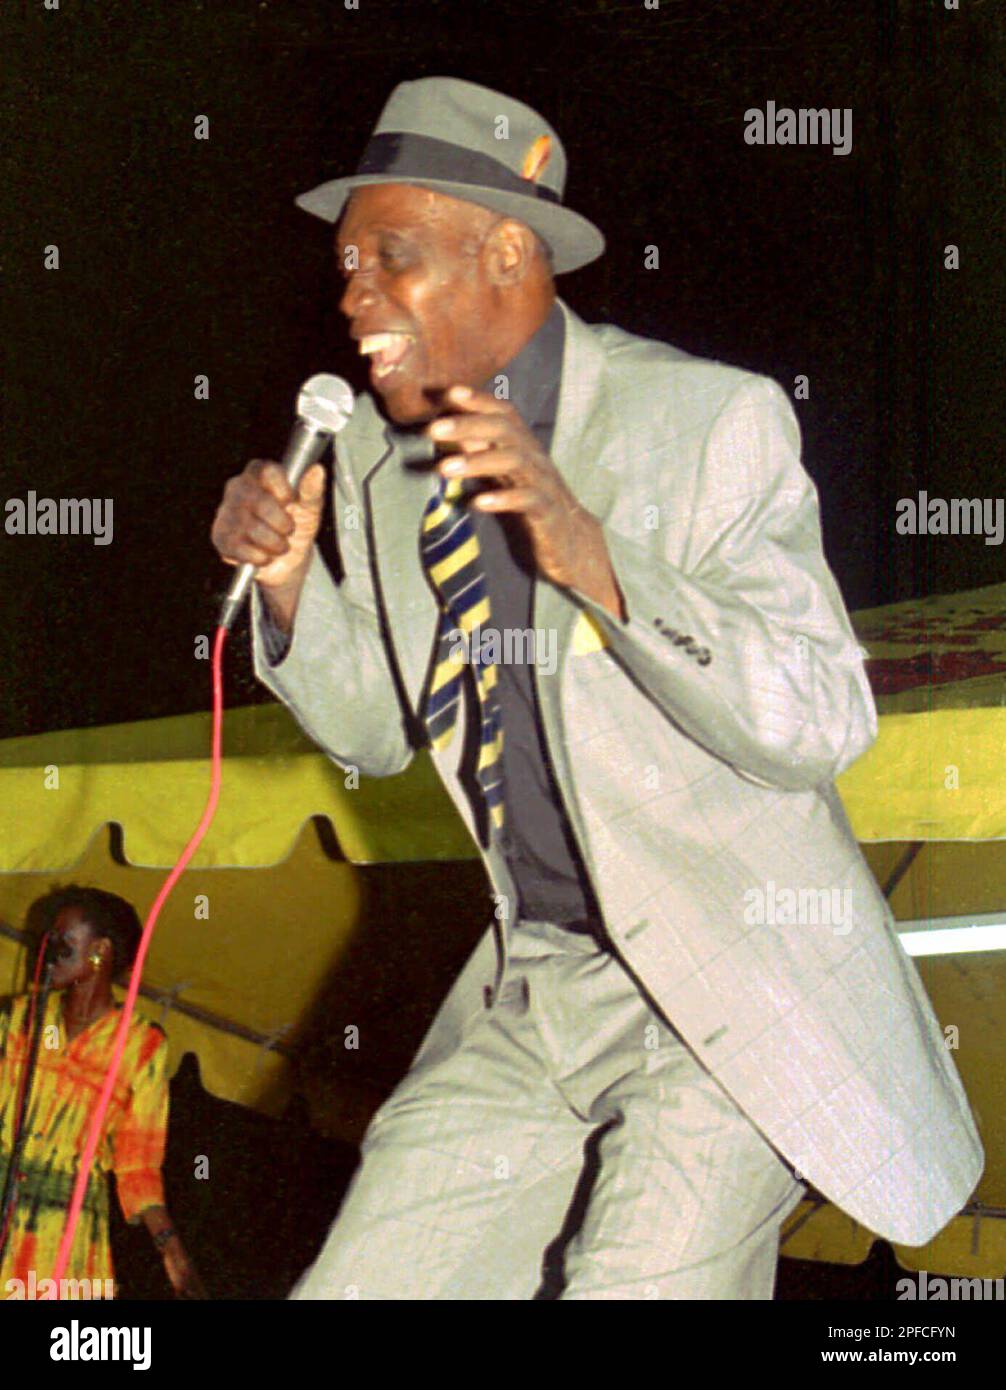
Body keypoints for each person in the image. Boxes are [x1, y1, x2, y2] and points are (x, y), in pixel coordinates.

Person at [211, 77, 982, 1300]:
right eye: (348, 263)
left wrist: (596, 556)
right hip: (536, 987)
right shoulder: (386, 465)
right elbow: (375, 732)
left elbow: (822, 718)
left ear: (507, 250)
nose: (352, 295)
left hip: (724, 995)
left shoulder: (703, 419)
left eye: (390, 258)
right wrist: (297, 586)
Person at [0, 886, 205, 1299]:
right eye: (48, 940)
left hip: (63, 1230)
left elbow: (137, 1165)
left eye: (63, 941)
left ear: (99, 951)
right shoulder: (19, 1017)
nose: (49, 950)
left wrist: (172, 1250)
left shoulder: (139, 1045)